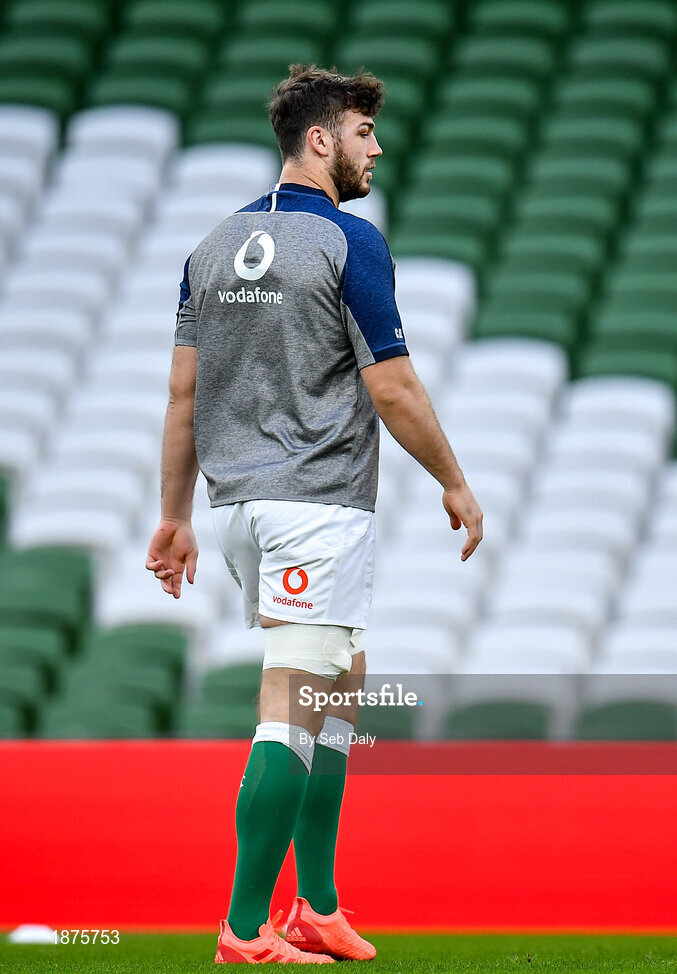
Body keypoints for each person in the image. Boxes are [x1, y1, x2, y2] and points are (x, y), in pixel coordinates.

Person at [146, 63, 483, 965]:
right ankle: (244, 928)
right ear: (321, 140)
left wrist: (173, 516)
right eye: (364, 132)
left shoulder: (211, 247)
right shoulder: (349, 241)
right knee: (292, 707)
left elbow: (183, 398)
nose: (377, 148)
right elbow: (393, 382)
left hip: (239, 509)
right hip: (313, 506)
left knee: (340, 691)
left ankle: (317, 905)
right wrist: (453, 478)